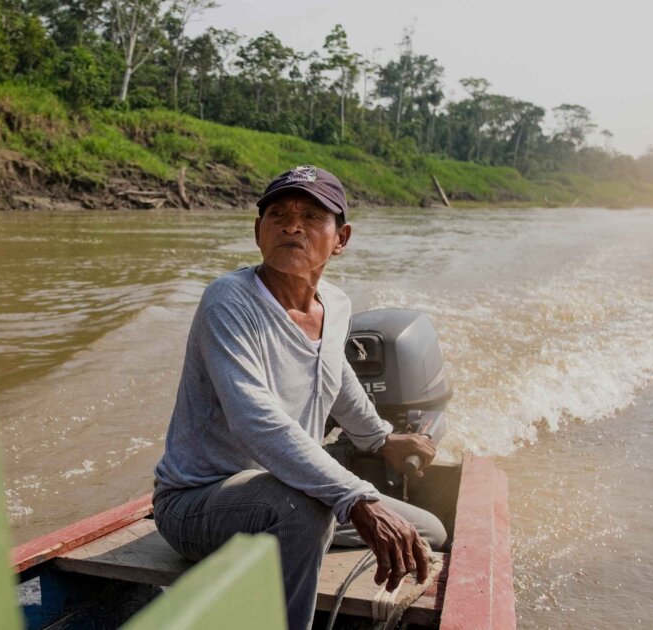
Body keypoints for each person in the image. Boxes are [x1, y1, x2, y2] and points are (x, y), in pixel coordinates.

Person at [152, 165, 447, 630]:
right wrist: (355, 497)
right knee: (303, 511)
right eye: (278, 214)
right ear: (258, 231)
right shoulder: (229, 301)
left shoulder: (337, 304)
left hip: (287, 490)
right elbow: (256, 420)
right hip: (197, 504)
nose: (292, 225)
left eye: (311, 216)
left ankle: (289, 551)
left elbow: (337, 375)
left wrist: (381, 439)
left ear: (341, 237)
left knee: (427, 532)